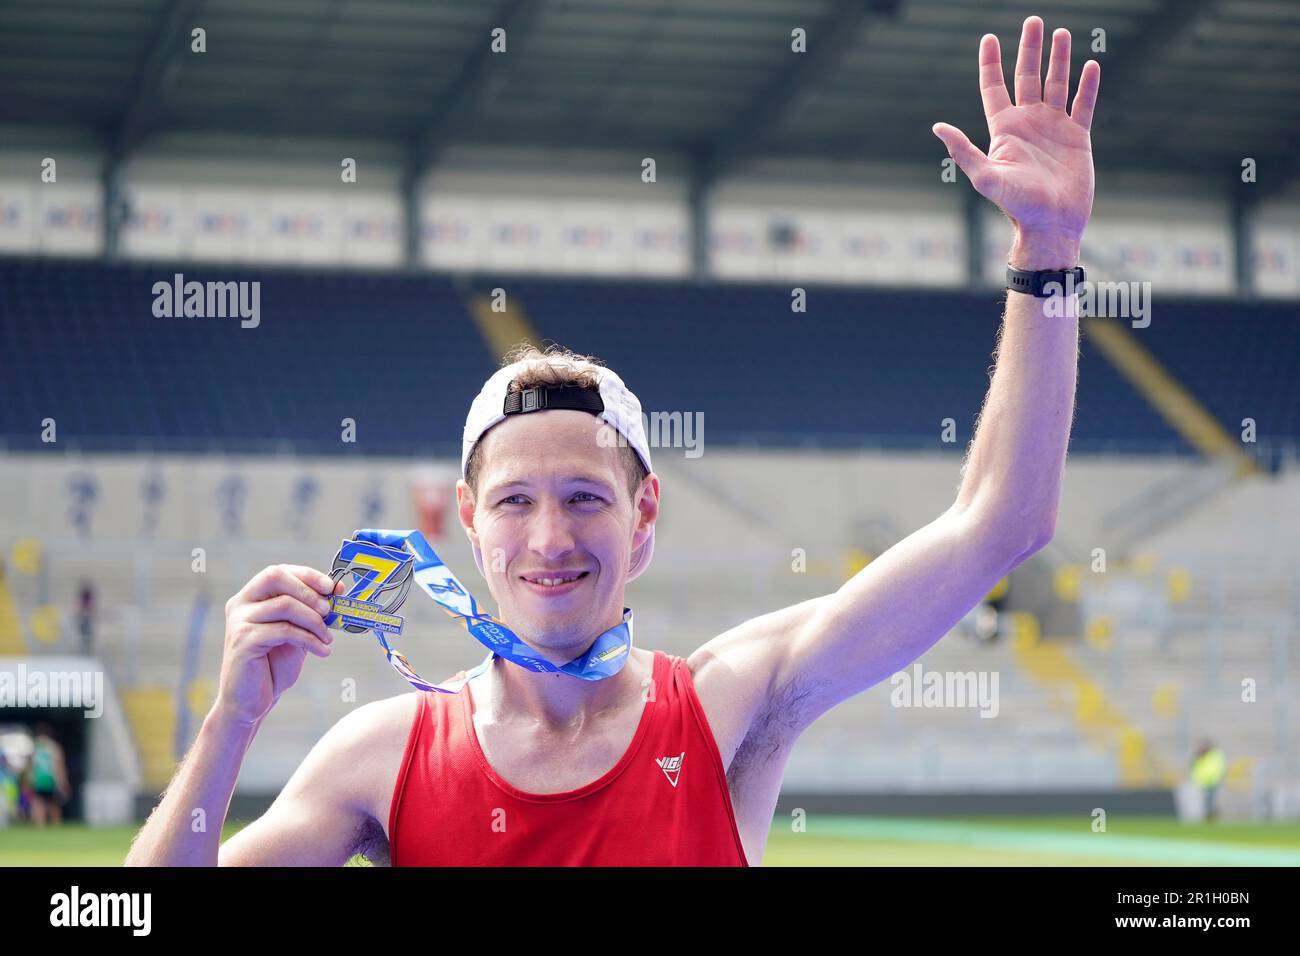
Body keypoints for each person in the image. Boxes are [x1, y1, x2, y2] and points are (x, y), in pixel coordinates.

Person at [126, 15, 1098, 867]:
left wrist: (1046, 253)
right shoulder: (383, 757)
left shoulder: (729, 704)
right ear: (470, 522)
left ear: (642, 520)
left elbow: (1000, 523)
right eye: (515, 500)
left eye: (585, 496)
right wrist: (229, 723)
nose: (549, 536)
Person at [28, 723, 70, 826]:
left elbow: (30, 766)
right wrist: (63, 782)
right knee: (54, 804)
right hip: (51, 779)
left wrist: (29, 780)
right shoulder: (54, 747)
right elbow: (59, 765)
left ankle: (40, 827)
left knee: (38, 804)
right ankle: (56, 827)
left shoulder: (34, 746)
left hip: (38, 779)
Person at [1191, 739, 1227, 822]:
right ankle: (1211, 814)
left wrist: (1219, 777)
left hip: (1213, 780)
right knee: (1207, 800)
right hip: (1204, 781)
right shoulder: (1200, 756)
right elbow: (1196, 768)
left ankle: (1211, 815)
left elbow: (1219, 767)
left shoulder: (1215, 755)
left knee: (1210, 799)